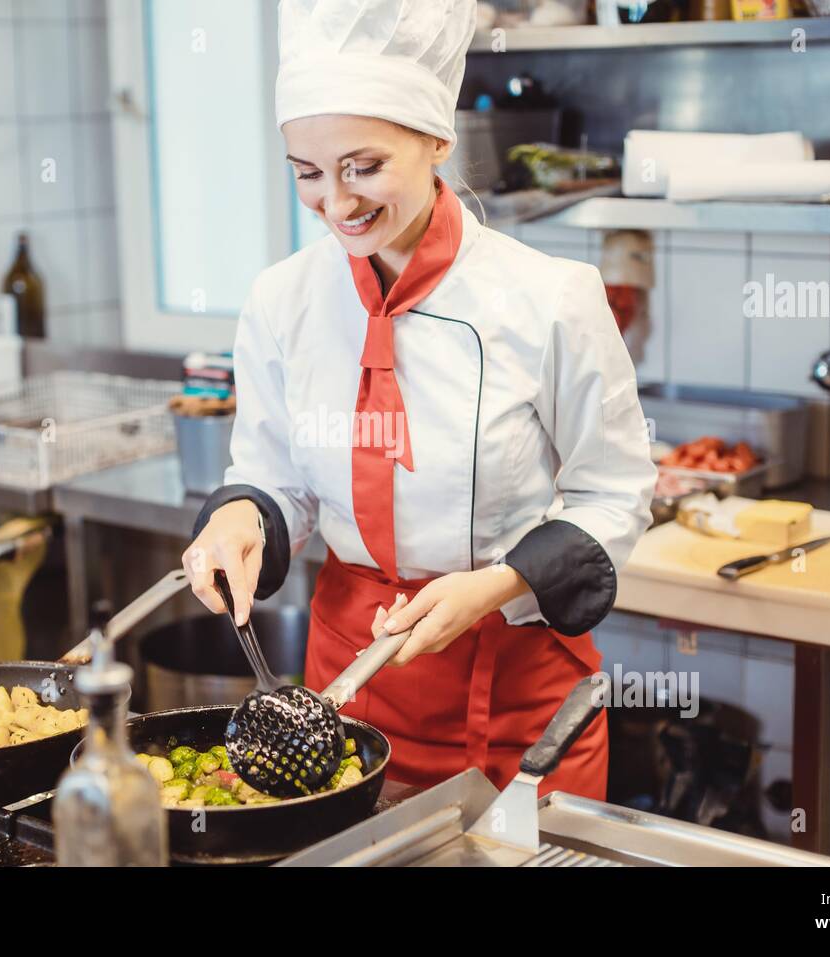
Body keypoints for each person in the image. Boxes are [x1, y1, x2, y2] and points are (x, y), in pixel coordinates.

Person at [183, 0, 655, 797]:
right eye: (306, 173)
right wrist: (238, 519)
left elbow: (615, 495)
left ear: (437, 139)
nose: (335, 203)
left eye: (363, 167)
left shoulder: (550, 300)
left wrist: (495, 585)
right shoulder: (280, 302)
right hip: (340, 702)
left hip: (520, 703)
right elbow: (274, 476)